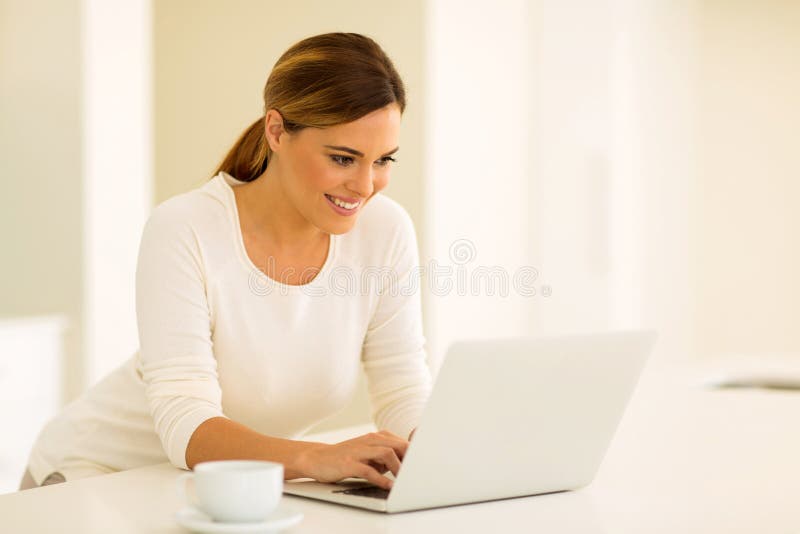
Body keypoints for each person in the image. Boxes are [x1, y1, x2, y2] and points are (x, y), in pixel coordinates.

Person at [19, 32, 430, 492]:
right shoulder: (186, 227)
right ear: (276, 131)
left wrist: (432, 459)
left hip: (226, 487)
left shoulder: (385, 231)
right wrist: (319, 458)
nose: (366, 185)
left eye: (383, 160)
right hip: (96, 472)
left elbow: (402, 385)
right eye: (342, 158)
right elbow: (185, 421)